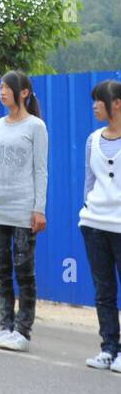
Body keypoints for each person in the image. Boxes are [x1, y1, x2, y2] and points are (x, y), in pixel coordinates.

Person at [0, 71, 48, 352]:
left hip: (23, 208)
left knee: (24, 269)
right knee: (1, 270)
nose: (2, 91)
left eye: (7, 87)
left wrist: (38, 209)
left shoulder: (36, 126)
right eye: (0, 87)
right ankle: (5, 326)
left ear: (24, 93)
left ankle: (23, 330)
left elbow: (41, 170)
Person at [79, 79, 121, 371]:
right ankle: (109, 348)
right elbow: (89, 181)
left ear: (116, 104)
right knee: (103, 289)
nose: (94, 106)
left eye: (99, 100)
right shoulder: (93, 139)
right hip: (94, 224)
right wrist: (86, 209)